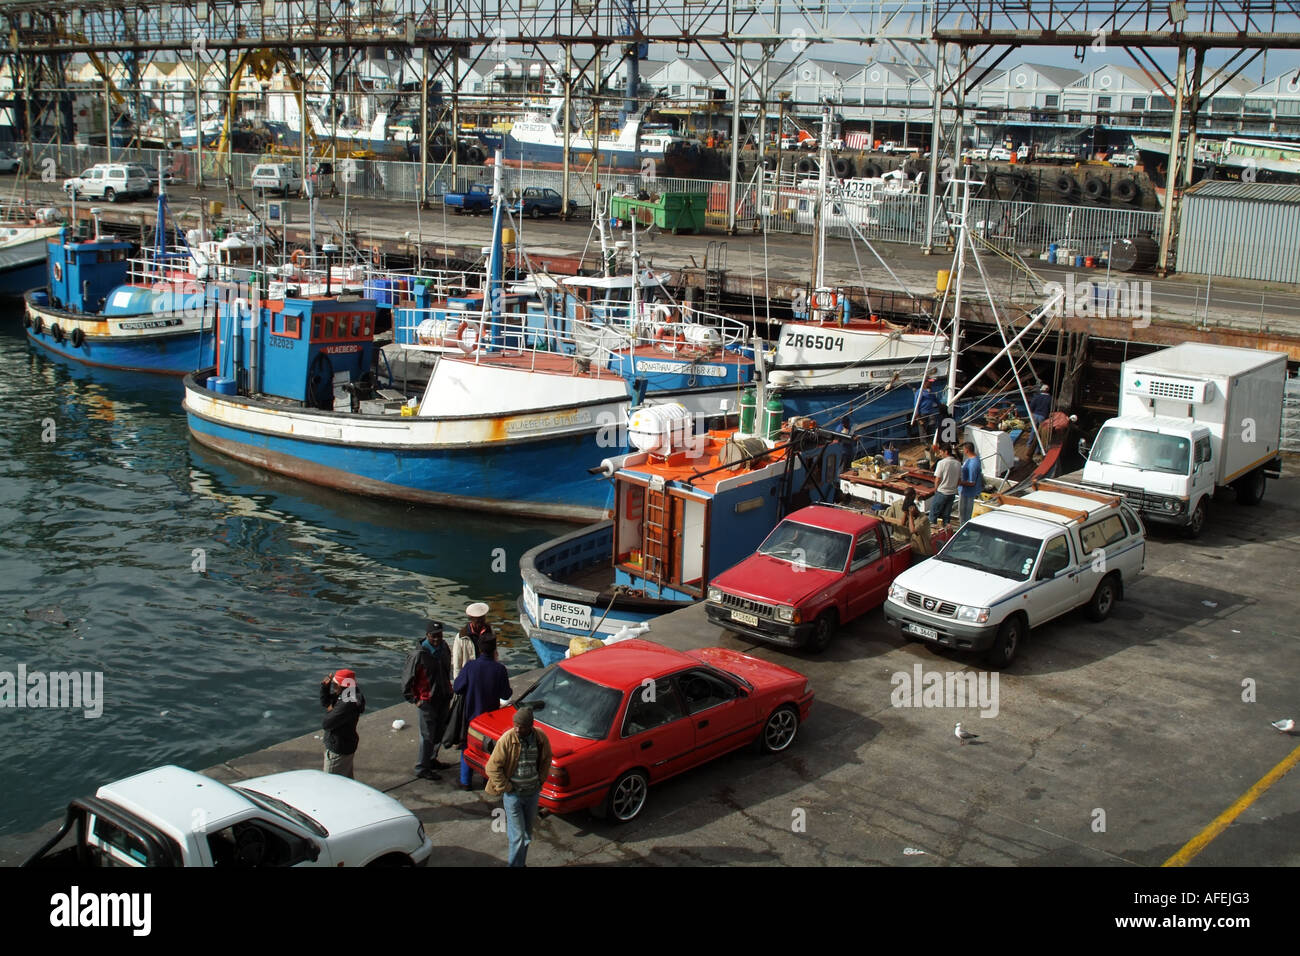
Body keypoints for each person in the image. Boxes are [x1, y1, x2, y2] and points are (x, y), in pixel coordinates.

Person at [485, 705, 553, 868]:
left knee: (526, 835)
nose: (516, 729)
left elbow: (546, 759)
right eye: (515, 725)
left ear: (530, 726)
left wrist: (540, 781)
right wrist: (507, 787)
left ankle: (520, 863)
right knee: (519, 837)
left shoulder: (540, 737)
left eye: (520, 727)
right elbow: (492, 767)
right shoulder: (507, 739)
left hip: (532, 794)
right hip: (514, 796)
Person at [452, 636, 513, 792]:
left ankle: (465, 781)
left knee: (468, 747)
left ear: (479, 650)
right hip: (490, 720)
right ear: (495, 651)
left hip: (471, 717)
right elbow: (506, 694)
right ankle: (487, 779)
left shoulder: (470, 666)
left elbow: (457, 687)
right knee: (489, 750)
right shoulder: (499, 669)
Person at [413, 622, 452, 781]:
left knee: (439, 731)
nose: (437, 639)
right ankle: (422, 767)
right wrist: (415, 699)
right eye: (434, 636)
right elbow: (407, 679)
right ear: (427, 635)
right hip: (427, 701)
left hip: (443, 696)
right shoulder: (418, 655)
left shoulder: (444, 648)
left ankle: (431, 759)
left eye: (439, 635)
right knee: (427, 735)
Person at [320, 669, 365, 779]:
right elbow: (326, 703)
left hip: (339, 748)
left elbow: (326, 723)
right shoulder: (348, 693)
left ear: (342, 686)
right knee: (347, 781)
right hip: (346, 744)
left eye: (335, 684)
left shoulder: (347, 702)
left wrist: (331, 710)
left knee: (330, 783)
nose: (333, 687)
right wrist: (324, 688)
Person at [882, 488, 933, 557]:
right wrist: (906, 513)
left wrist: (910, 515)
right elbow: (902, 522)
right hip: (910, 544)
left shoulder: (922, 519)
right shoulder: (901, 507)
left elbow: (912, 530)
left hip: (922, 551)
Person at [452, 602, 494, 680]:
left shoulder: (490, 632)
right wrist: (457, 681)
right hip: (469, 677)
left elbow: (494, 654)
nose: (480, 624)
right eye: (477, 621)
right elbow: (457, 663)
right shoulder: (461, 637)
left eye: (482, 620)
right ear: (471, 620)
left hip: (486, 675)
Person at [929, 444, 961, 526]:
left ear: (946, 452)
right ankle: (947, 533)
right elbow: (959, 480)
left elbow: (938, 479)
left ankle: (932, 533)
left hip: (942, 492)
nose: (940, 454)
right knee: (946, 516)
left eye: (941, 452)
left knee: (933, 515)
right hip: (952, 493)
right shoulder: (958, 464)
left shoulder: (941, 463)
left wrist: (935, 489)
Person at [958, 441, 983, 526]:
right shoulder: (970, 460)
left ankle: (963, 528)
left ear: (967, 450)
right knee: (962, 513)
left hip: (968, 492)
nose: (963, 451)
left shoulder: (973, 464)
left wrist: (959, 483)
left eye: (963, 449)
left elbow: (972, 482)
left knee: (964, 513)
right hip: (964, 490)